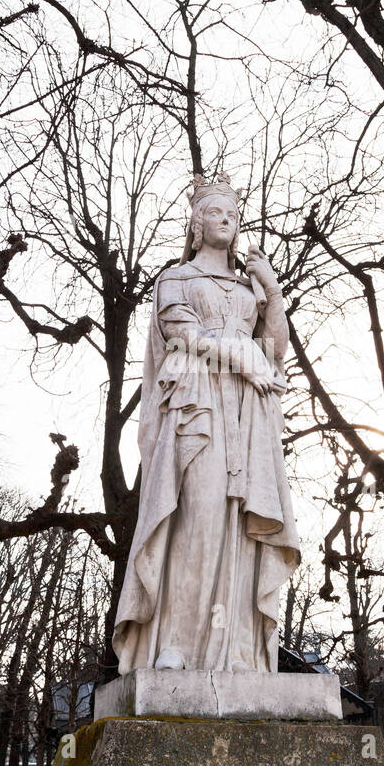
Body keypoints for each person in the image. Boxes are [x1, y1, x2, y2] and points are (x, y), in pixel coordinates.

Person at [111, 174, 299, 674]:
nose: (227, 220)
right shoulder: (175, 280)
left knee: (241, 525)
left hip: (249, 411)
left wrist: (273, 293)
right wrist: (241, 356)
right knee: (196, 513)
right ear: (197, 224)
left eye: (233, 214)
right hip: (198, 404)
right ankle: (175, 641)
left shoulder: (248, 288)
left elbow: (276, 352)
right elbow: (184, 335)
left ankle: (236, 649)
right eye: (216, 212)